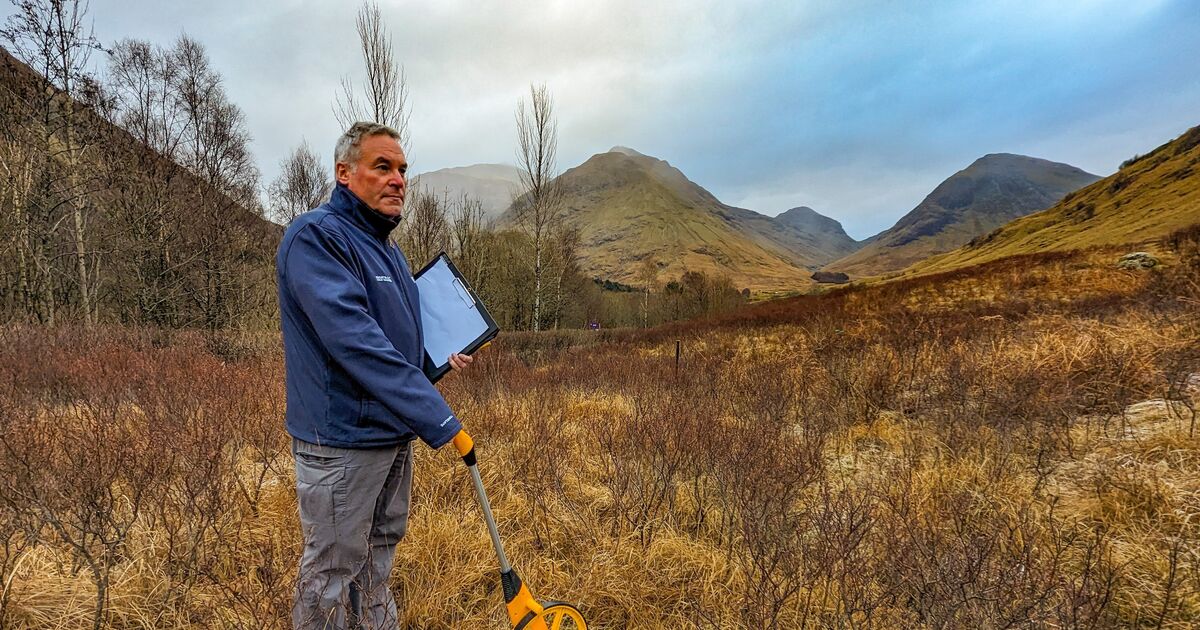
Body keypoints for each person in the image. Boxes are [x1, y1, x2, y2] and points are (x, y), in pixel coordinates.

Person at [276, 121, 473, 629]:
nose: (397, 179)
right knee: (333, 570)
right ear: (345, 173)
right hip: (342, 441)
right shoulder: (316, 238)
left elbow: (397, 346)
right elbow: (356, 344)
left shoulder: (389, 252)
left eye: (403, 170)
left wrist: (435, 366)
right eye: (382, 167)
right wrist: (440, 418)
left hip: (391, 434)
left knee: (377, 562)